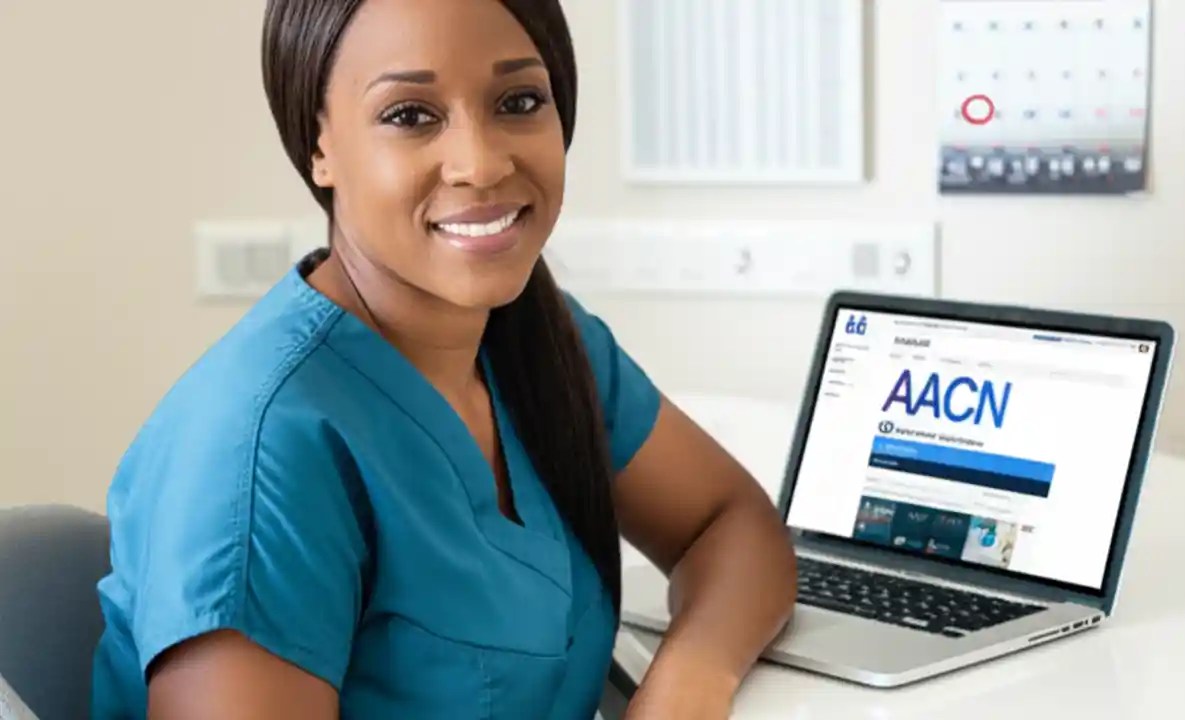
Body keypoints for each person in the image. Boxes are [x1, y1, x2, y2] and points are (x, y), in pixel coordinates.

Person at [89, 0, 797, 718]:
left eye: (519, 101)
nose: (482, 163)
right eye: (410, 115)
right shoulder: (263, 452)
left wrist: (685, 686)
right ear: (318, 144)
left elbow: (732, 523)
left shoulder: (539, 341)